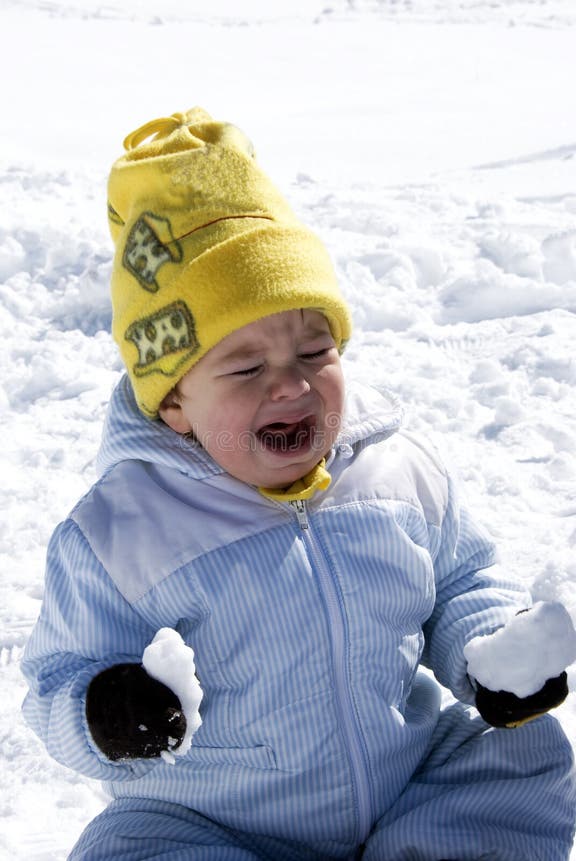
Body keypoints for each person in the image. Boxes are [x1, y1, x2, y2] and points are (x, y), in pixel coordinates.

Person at [21, 108, 576, 861]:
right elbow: (56, 677)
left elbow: (462, 578)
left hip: (401, 785)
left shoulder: (395, 472)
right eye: (247, 367)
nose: (290, 385)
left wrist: (490, 653)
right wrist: (108, 712)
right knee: (129, 849)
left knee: (525, 751)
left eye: (315, 351)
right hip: (214, 822)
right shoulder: (120, 535)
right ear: (175, 401)